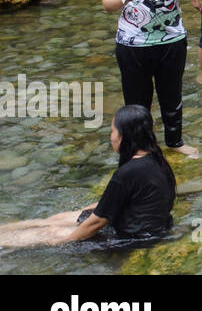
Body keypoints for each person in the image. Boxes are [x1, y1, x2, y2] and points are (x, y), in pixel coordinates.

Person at [0, 105, 176, 248]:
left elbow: (97, 221)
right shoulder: (156, 158)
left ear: (124, 137)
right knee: (59, 219)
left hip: (133, 237)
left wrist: (65, 242)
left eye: (113, 131)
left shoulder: (128, 172)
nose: (111, 138)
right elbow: (116, 203)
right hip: (150, 227)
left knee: (49, 232)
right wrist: (84, 212)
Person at [101, 0, 198, 156]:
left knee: (171, 96)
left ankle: (174, 142)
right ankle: (139, 148)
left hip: (171, 39)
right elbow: (107, 3)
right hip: (132, 44)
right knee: (136, 102)